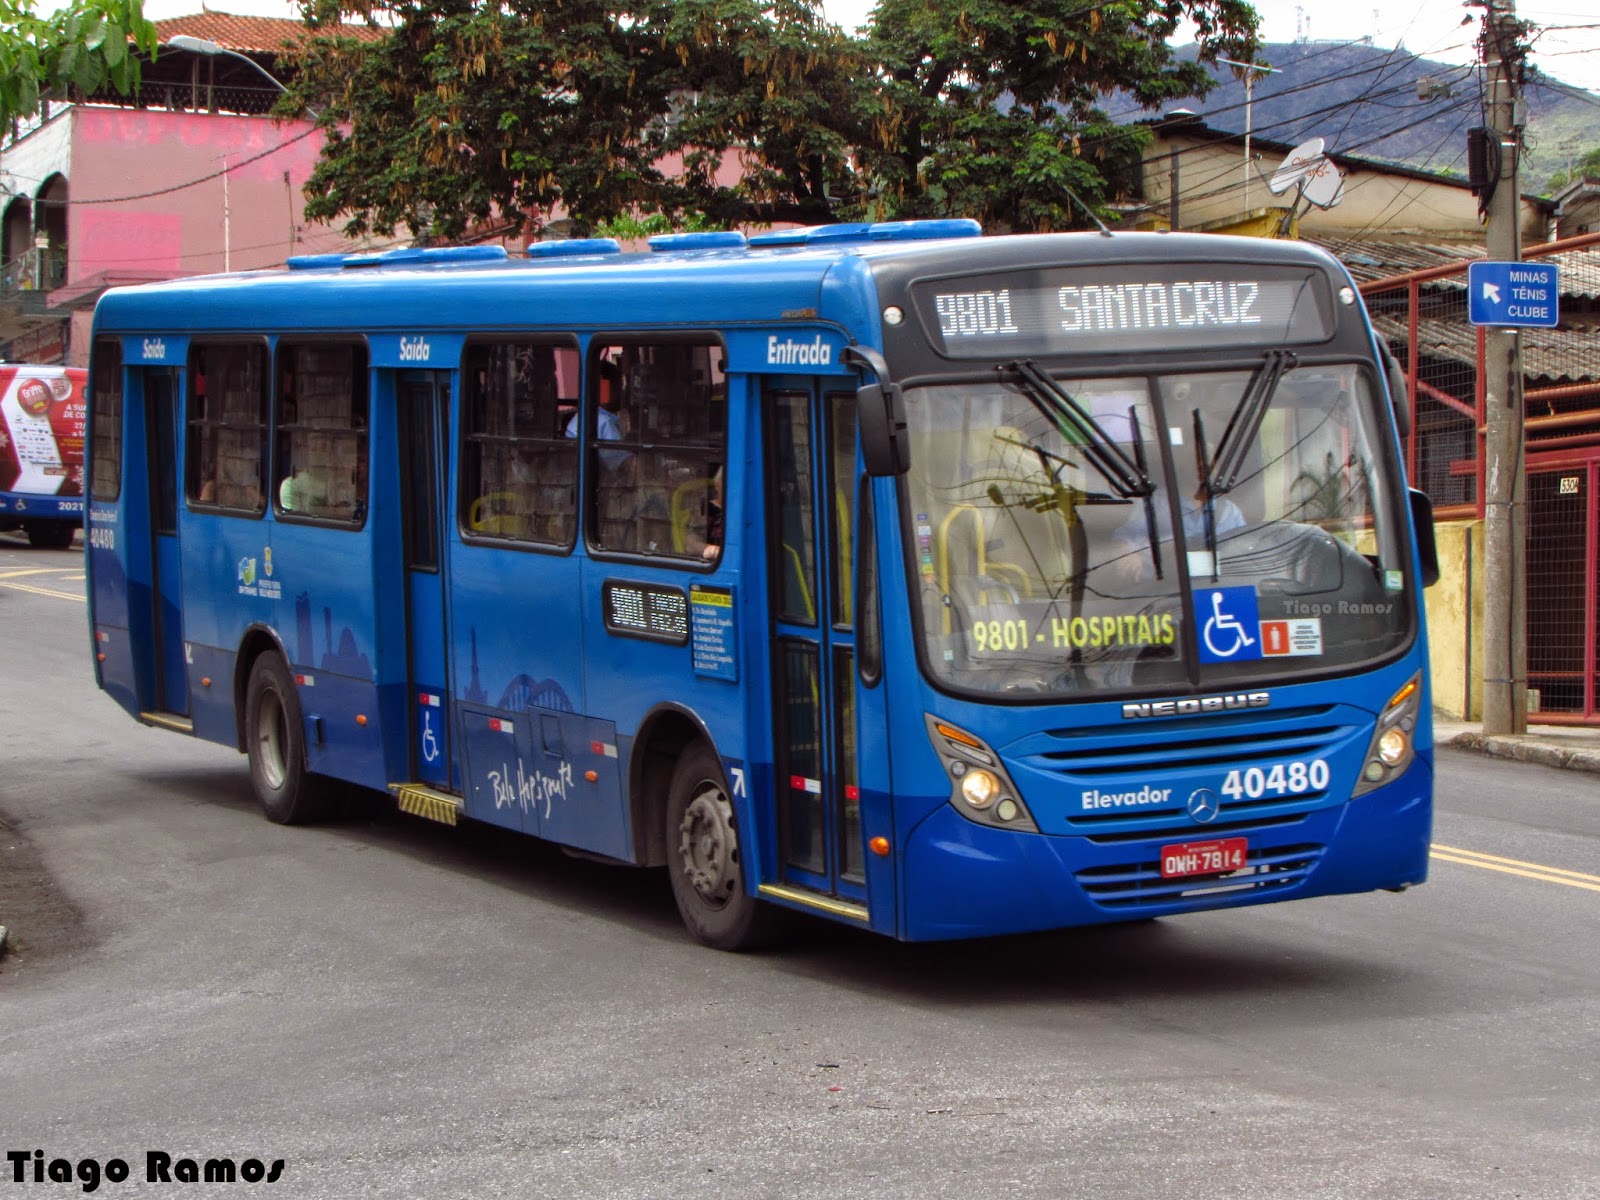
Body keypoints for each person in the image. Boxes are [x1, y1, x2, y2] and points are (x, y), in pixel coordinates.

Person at [565, 359, 628, 470]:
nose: (621, 394)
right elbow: (623, 465)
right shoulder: (603, 422)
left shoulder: (580, 417)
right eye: (618, 388)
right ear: (604, 388)